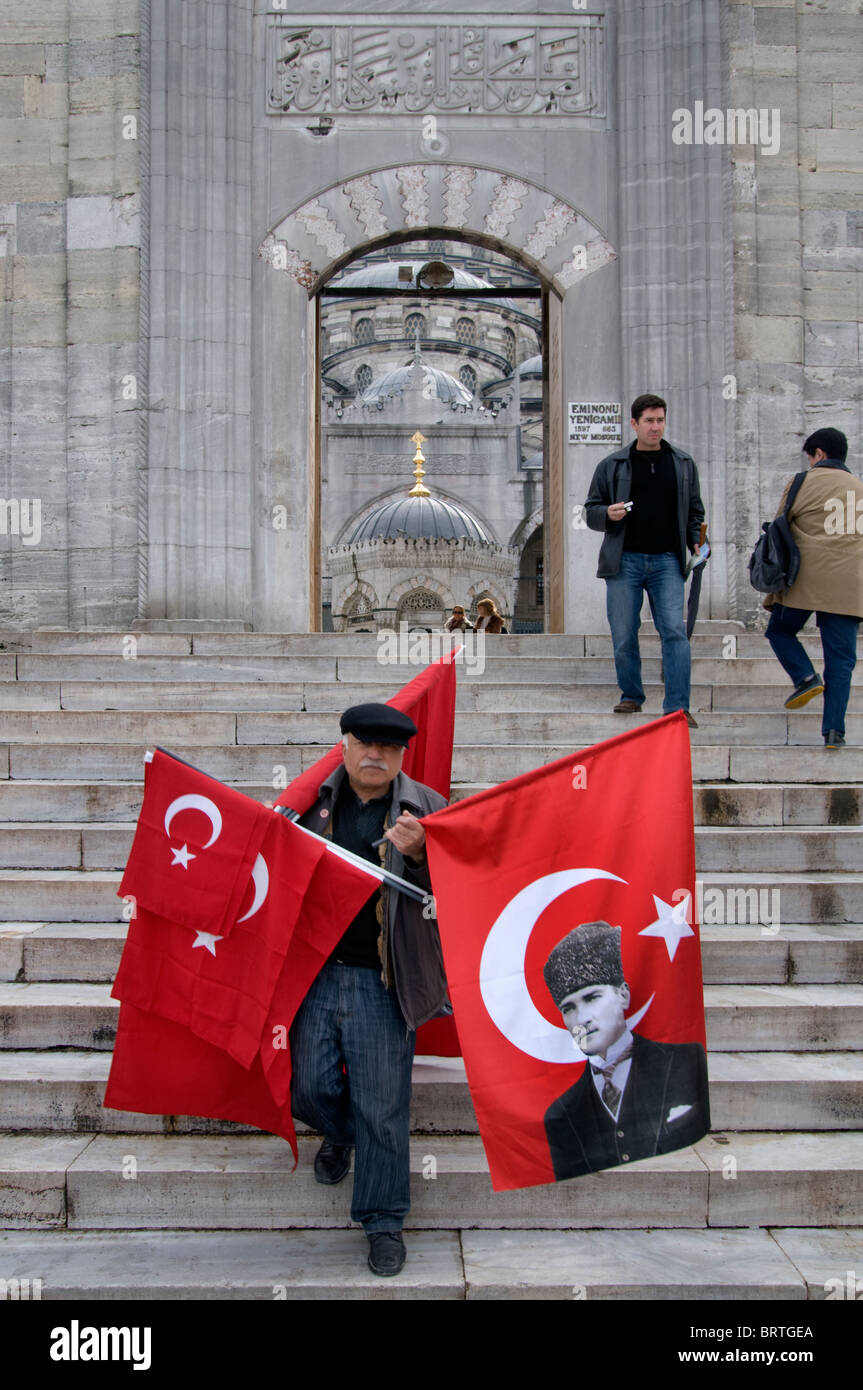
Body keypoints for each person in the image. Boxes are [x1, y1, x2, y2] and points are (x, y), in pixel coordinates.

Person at [289, 703, 448, 1275]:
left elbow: (458, 899)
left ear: (402, 756)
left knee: (384, 1107)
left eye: (388, 748)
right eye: (365, 744)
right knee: (306, 1088)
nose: (375, 756)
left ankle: (383, 1219)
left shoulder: (428, 811)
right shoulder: (306, 803)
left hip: (385, 977)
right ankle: (340, 1131)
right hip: (316, 971)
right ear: (346, 747)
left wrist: (424, 855)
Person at [542, 921, 709, 1181]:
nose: (581, 1018)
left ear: (623, 995)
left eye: (592, 997)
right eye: (568, 1008)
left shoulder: (686, 1062)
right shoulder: (560, 1114)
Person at [585, 394, 705, 726]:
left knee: (674, 631)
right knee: (624, 630)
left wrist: (696, 541)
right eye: (649, 421)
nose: (656, 427)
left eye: (660, 420)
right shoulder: (611, 465)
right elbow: (590, 511)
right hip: (624, 561)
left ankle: (678, 707)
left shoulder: (682, 463)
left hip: (667, 560)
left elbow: (695, 512)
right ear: (634, 423)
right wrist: (607, 514)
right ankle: (631, 695)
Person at [764, 427, 863, 749]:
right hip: (849, 586)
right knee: (841, 661)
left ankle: (805, 678)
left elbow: (779, 523)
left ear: (818, 454)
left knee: (779, 630)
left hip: (804, 579)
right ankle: (834, 732)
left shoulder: (802, 481)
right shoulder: (860, 488)